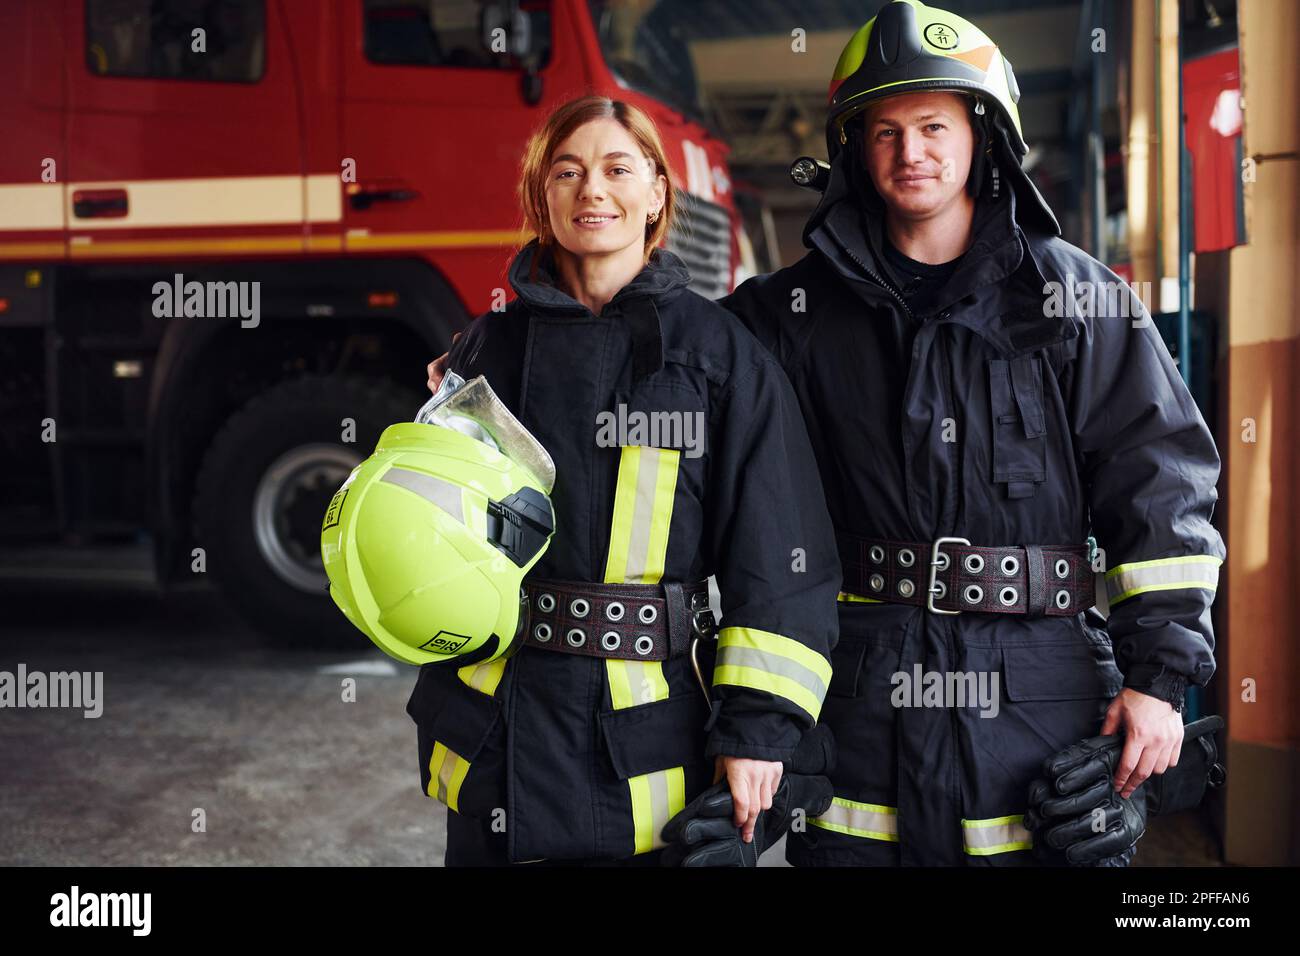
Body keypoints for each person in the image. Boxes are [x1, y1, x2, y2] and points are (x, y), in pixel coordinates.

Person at [719, 0, 1224, 866]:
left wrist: (1159, 680)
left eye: (931, 125)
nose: (909, 152)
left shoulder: (1077, 300)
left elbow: (1158, 480)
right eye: (883, 131)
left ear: (982, 134)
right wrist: (488, 364)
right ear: (852, 148)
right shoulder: (789, 314)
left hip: (1041, 692)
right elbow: (669, 372)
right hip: (862, 692)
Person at [411, 94, 839, 865]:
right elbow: (429, 533)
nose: (592, 191)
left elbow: (781, 561)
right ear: (541, 198)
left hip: (643, 750)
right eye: (567, 172)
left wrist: (757, 732)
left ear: (655, 196)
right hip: (499, 735)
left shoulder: (719, 357)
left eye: (617, 169)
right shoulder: (487, 349)